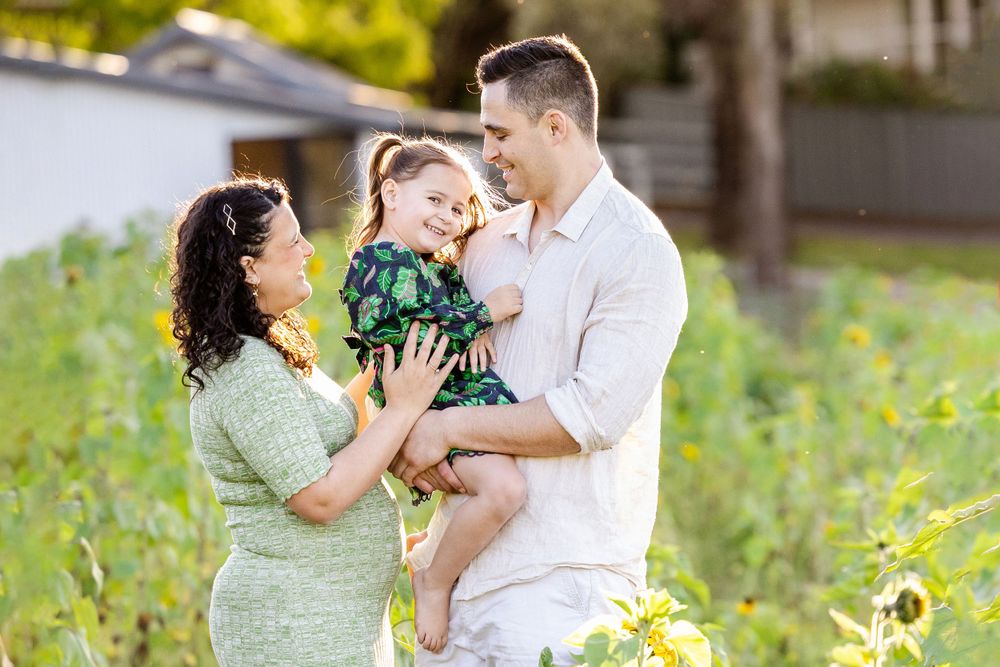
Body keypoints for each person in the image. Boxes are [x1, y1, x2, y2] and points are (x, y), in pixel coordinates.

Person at [388, 36, 689, 665]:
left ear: (555, 127)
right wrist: (408, 439)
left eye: (499, 133)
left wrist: (444, 429)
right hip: (454, 580)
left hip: (563, 591)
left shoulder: (636, 249)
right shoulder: (483, 243)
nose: (487, 153)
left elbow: (591, 416)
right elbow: (420, 354)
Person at [169, 176, 458, 666]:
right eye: (292, 241)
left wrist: (388, 368)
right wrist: (405, 406)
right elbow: (318, 497)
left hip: (327, 615)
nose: (307, 249)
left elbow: (331, 434)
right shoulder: (246, 369)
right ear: (249, 268)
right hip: (294, 622)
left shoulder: (263, 351)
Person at [340, 133, 527, 653]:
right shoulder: (376, 263)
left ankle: (435, 550)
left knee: (500, 483)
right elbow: (410, 329)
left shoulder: (428, 262)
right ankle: (434, 579)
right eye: (435, 200)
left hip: (448, 397)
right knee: (503, 489)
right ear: (392, 194)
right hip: (432, 401)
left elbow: (450, 300)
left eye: (458, 206)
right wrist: (484, 313)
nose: (448, 216)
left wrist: (479, 325)